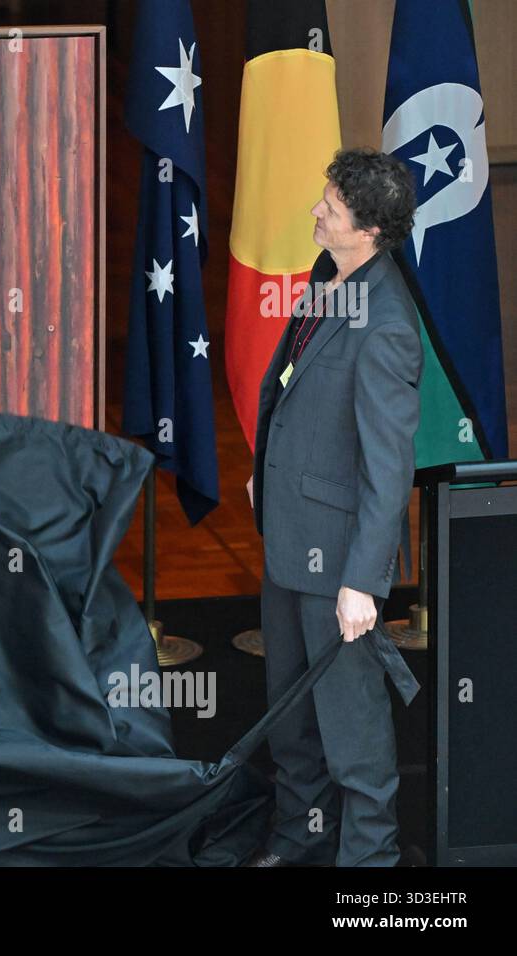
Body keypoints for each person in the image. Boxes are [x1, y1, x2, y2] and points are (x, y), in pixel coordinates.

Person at [245, 148, 422, 867]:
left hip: (339, 563)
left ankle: (368, 869)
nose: (317, 211)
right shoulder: (331, 279)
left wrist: (363, 582)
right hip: (290, 542)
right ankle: (299, 844)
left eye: (332, 208)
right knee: (290, 720)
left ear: (371, 230)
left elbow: (389, 469)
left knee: (352, 732)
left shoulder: (388, 327)